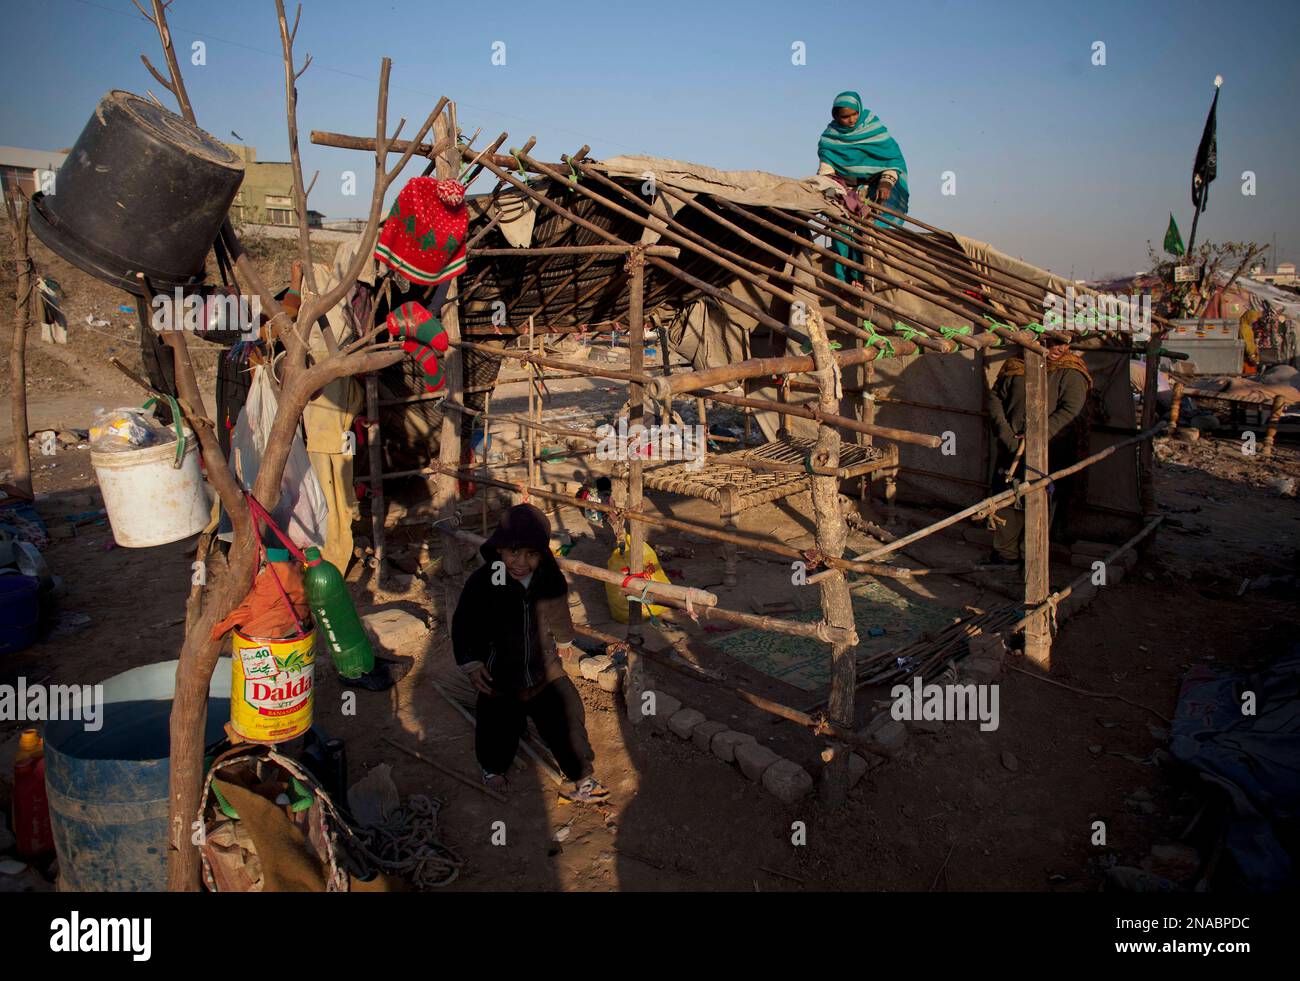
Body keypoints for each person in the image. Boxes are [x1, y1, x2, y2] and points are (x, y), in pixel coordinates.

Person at [452, 503, 608, 801]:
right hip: (499, 673)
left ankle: (581, 775)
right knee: (496, 726)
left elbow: (560, 610)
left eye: (531, 554)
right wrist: (471, 663)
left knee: (567, 715)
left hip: (543, 669)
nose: (521, 562)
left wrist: (564, 642)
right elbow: (464, 624)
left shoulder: (548, 578)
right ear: (499, 550)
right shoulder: (484, 582)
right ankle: (492, 768)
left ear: (541, 553)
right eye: (513, 552)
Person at [986, 338, 1092, 563]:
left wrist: (1038, 436)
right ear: (1038, 340)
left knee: (1040, 503)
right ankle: (1006, 554)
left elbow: (1072, 411)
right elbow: (995, 398)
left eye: (1065, 344)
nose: (1060, 349)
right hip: (1011, 447)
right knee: (1006, 498)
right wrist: (1005, 433)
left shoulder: (1070, 372)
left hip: (1050, 451)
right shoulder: (1015, 366)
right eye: (1055, 343)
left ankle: (1031, 559)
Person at [817, 90, 910, 284]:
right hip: (846, 192)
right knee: (841, 230)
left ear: (859, 110)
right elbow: (826, 172)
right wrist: (834, 191)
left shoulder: (874, 130)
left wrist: (886, 184)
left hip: (876, 190)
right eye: (844, 117)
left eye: (853, 115)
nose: (850, 120)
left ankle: (867, 278)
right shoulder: (829, 139)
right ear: (836, 116)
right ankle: (845, 281)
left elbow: (892, 162)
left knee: (871, 234)